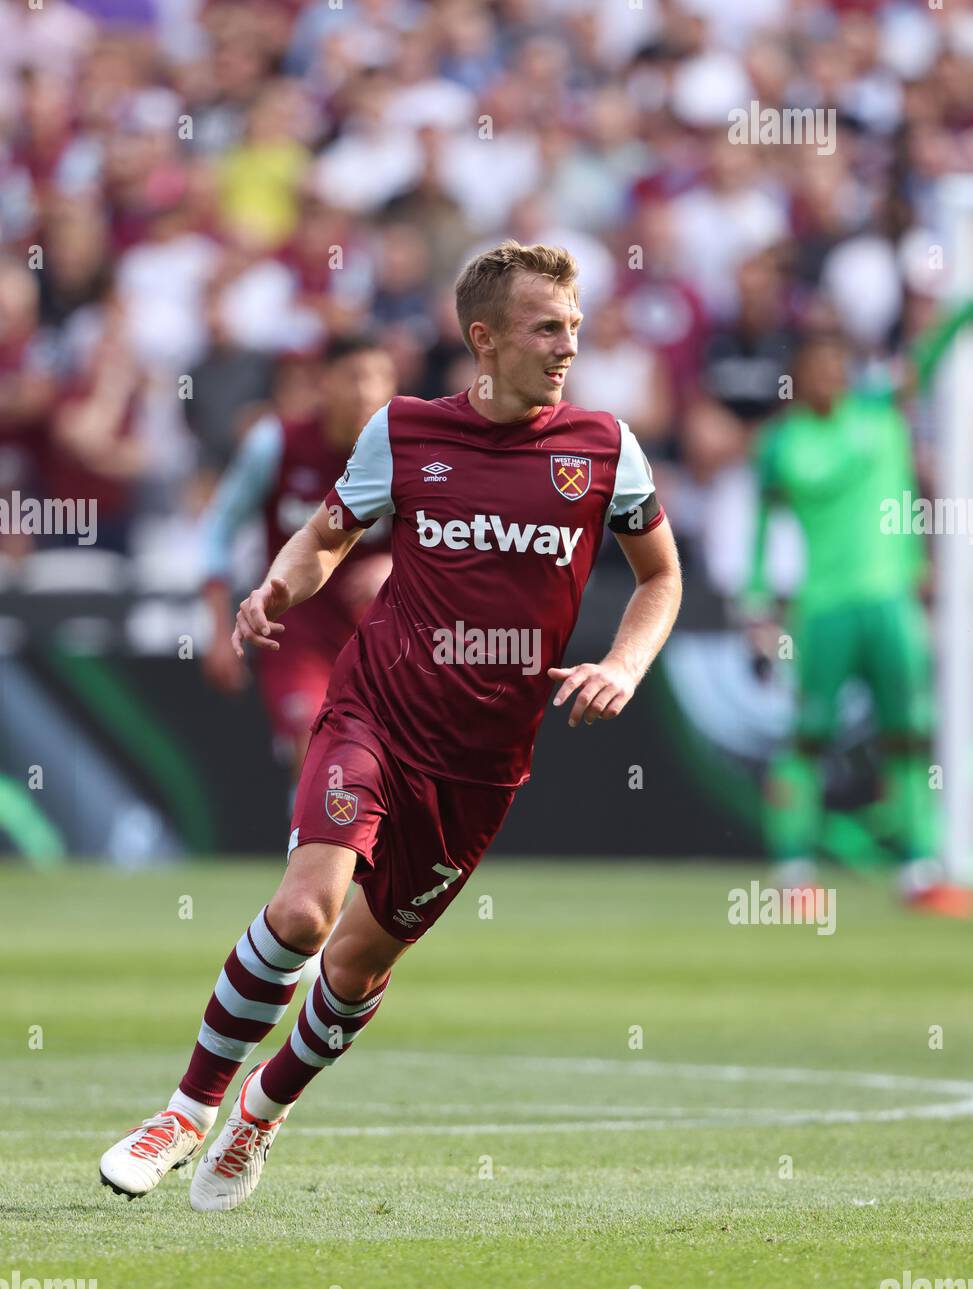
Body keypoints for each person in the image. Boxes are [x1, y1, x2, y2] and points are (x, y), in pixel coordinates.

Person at [99, 241, 682, 1211]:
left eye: (574, 327)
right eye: (547, 327)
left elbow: (660, 574)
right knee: (302, 913)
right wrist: (278, 587)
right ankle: (184, 1112)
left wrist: (624, 662)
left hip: (485, 760)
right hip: (375, 706)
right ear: (484, 338)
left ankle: (261, 1111)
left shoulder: (606, 447)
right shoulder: (406, 431)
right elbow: (327, 533)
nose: (567, 346)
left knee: (359, 964)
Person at [743, 305, 973, 915]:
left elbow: (932, 346)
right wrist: (757, 605)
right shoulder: (781, 442)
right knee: (808, 740)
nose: (827, 375)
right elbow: (763, 533)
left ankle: (920, 869)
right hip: (823, 609)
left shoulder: (880, 411)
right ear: (797, 374)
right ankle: (794, 877)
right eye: (814, 366)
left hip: (892, 603)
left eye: (835, 363)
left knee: (909, 737)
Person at [200, 334, 396, 779]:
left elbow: (448, 538)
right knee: (315, 745)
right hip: (296, 637)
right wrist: (216, 630)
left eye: (379, 378)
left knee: (371, 768)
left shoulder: (407, 455)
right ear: (322, 382)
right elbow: (216, 531)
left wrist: (396, 564)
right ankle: (310, 837)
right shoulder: (276, 445)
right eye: (353, 377)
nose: (366, 391)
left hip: (381, 639)